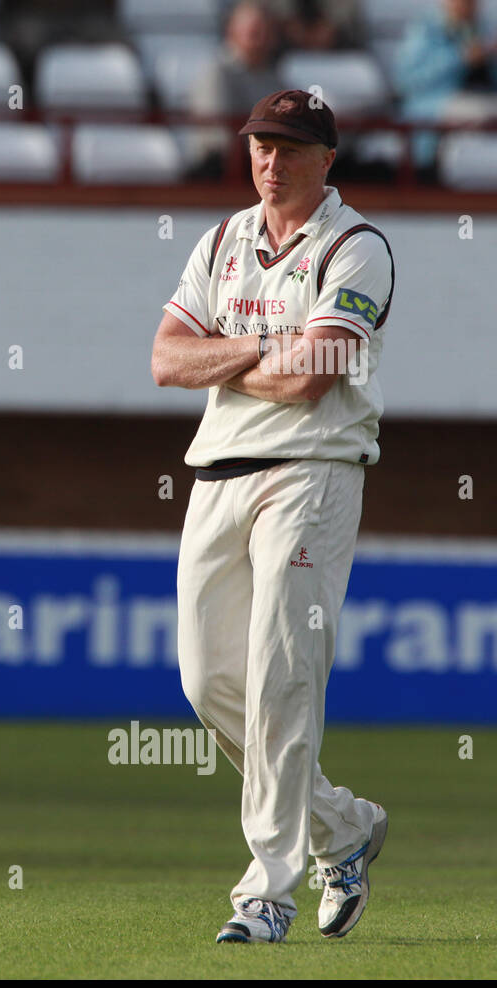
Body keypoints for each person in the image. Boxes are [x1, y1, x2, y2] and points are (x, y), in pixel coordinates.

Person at [150, 90, 390, 944]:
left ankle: (267, 894)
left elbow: (311, 380)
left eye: (290, 147)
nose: (271, 161)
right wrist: (259, 346)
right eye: (261, 145)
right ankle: (343, 826)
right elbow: (165, 359)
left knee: (282, 681)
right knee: (207, 682)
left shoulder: (356, 247)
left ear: (327, 158)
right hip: (217, 473)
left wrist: (222, 356)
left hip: (312, 473)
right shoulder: (222, 240)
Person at [396, 0, 497, 172]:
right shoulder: (426, 29)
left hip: (483, 98)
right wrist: (462, 58)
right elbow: (407, 81)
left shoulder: (483, 28)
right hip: (432, 107)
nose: (467, 6)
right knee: (479, 111)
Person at [188, 2, 285, 178]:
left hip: (265, 163)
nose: (262, 40)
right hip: (220, 169)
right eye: (255, 32)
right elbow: (217, 137)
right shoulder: (216, 74)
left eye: (268, 33)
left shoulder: (275, 78)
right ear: (232, 32)